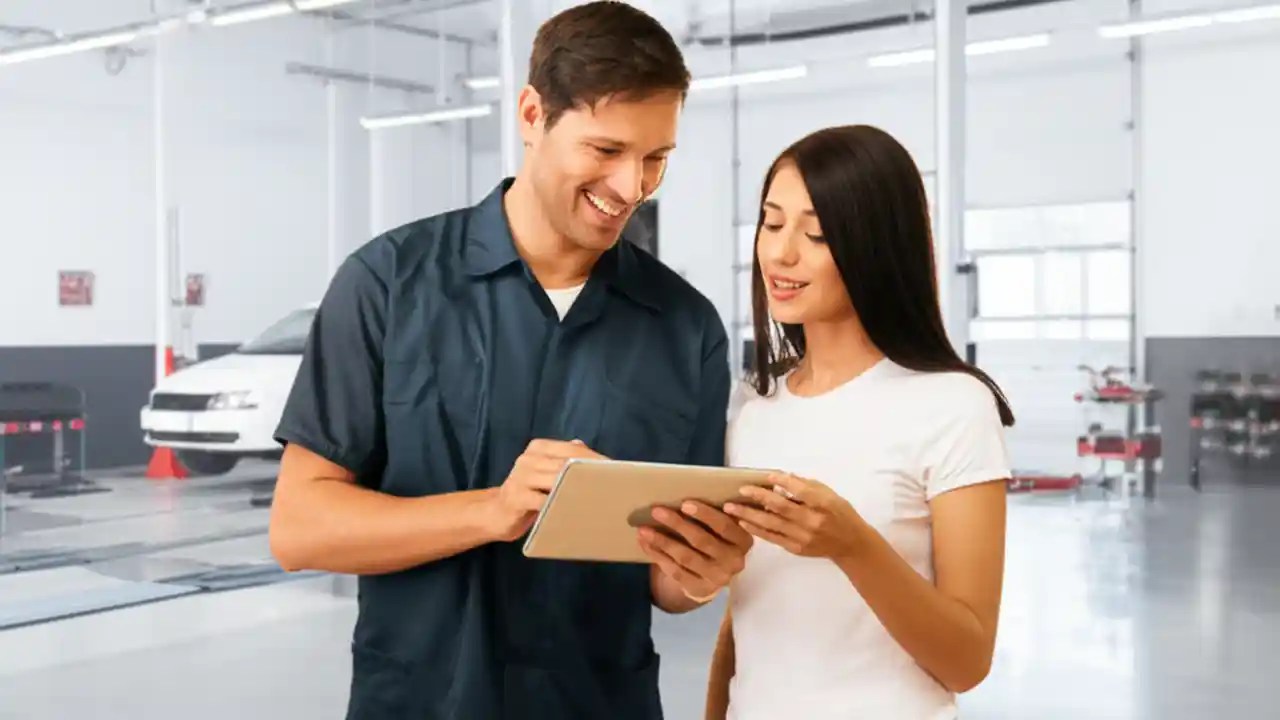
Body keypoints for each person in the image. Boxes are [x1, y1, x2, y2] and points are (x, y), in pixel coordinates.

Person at [267, 3, 753, 719]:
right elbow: (300, 526)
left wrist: (703, 574)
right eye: (605, 150)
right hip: (422, 701)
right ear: (532, 114)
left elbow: (669, 585)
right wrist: (491, 511)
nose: (632, 186)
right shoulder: (388, 284)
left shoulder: (686, 327)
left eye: (656, 157)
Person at [703, 125, 1015, 720]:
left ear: (875, 244)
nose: (782, 253)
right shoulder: (754, 405)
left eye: (815, 233)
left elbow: (967, 660)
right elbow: (745, 621)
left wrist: (853, 546)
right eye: (772, 223)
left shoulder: (952, 405)